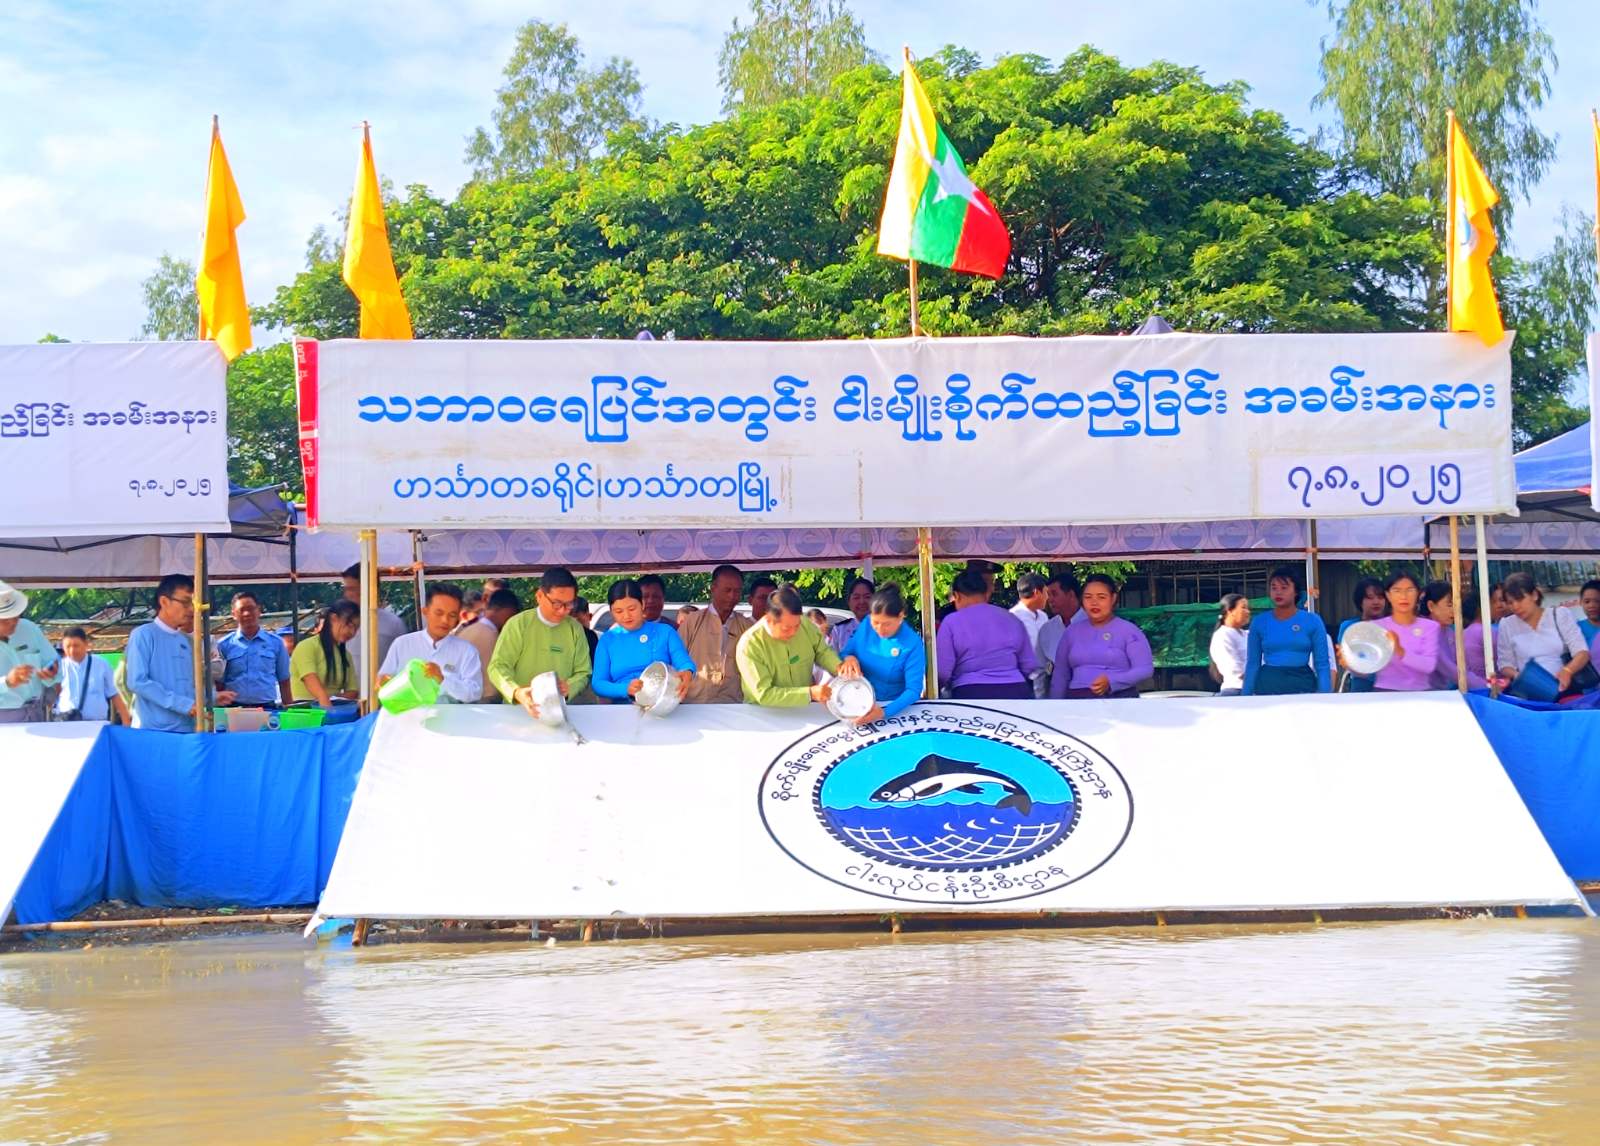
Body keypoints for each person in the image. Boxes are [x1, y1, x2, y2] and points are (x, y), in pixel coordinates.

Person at [126, 574, 233, 730]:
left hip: (186, 728)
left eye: (193, 603)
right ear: (164, 602)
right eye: (185, 602)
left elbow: (188, 687)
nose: (191, 609)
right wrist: (182, 705)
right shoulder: (143, 635)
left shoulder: (186, 641)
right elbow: (137, 682)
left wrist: (213, 698)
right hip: (155, 730)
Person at [489, 567, 593, 721]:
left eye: (569, 604)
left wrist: (569, 686)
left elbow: (584, 672)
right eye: (557, 604)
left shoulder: (575, 629)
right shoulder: (518, 624)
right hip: (519, 712)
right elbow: (497, 667)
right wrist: (517, 692)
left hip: (559, 713)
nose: (562, 611)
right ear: (539, 596)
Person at [937, 568, 1037, 700]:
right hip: (1015, 691)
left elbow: (942, 672)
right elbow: (1029, 665)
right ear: (986, 592)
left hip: (971, 692)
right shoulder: (1011, 618)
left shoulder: (951, 622)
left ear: (957, 596)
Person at [1048, 574, 1153, 699]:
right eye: (1088, 597)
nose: (1094, 603)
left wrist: (1112, 681)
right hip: (1077, 699)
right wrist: (1054, 705)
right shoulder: (1071, 632)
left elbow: (1144, 669)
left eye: (1101, 597)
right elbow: (1061, 675)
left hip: (1119, 698)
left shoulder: (1129, 630)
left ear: (1113, 598)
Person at [735, 584, 842, 707]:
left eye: (796, 626)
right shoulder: (750, 645)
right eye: (786, 628)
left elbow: (822, 651)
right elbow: (764, 694)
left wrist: (839, 668)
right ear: (769, 619)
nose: (793, 633)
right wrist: (809, 694)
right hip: (765, 715)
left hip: (804, 710)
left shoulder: (805, 625)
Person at [591, 579, 696, 704]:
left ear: (642, 604)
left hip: (663, 704)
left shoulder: (665, 632)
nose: (626, 616)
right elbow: (598, 684)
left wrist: (688, 672)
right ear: (611, 611)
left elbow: (684, 662)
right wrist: (625, 689)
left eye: (632, 609)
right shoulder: (607, 640)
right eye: (619, 611)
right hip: (622, 711)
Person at [378, 584, 484, 704]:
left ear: (458, 618)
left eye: (452, 615)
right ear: (425, 611)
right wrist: (384, 681)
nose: (445, 620)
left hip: (450, 719)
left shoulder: (467, 651)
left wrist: (443, 680)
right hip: (407, 718)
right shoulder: (402, 644)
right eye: (439, 613)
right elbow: (385, 679)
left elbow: (475, 693)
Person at [837, 583, 925, 723]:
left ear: (901, 616)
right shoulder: (866, 624)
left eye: (887, 624)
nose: (880, 629)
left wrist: (884, 712)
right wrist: (849, 658)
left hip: (893, 708)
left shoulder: (912, 643)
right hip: (857, 699)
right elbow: (845, 652)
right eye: (875, 622)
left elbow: (913, 690)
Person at [1495, 571, 1592, 698]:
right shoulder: (1506, 624)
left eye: (1520, 599)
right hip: (1528, 694)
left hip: (1565, 691)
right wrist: (1519, 676)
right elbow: (1505, 664)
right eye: (1510, 602)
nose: (1515, 606)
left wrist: (1567, 671)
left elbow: (1582, 652)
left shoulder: (1560, 615)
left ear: (1534, 595)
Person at [1242, 566, 1330, 696]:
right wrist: (1245, 697)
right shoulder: (1259, 622)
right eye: (1274, 588)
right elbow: (1252, 663)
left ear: (1295, 591)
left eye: (1284, 587)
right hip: (1268, 686)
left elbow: (1322, 664)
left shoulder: (1313, 621)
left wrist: (1325, 695)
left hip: (1302, 685)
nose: (1278, 592)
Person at [679, 564, 754, 704]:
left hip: (732, 703)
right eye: (727, 590)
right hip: (694, 703)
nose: (732, 596)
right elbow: (677, 661)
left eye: (737, 591)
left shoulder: (746, 626)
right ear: (713, 588)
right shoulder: (693, 621)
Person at [1356, 572, 1441, 692]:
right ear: (1388, 595)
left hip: (1420, 694)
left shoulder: (1430, 627)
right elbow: (1367, 669)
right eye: (1397, 591)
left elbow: (1429, 665)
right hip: (1385, 693)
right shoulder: (1377, 627)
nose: (1404, 596)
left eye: (1410, 590)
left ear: (1419, 594)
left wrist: (1400, 651)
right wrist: (1350, 663)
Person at [216, 590, 292, 706]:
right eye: (242, 610)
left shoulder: (276, 643)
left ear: (259, 610)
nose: (247, 614)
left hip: (267, 708)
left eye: (251, 609)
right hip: (234, 708)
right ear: (234, 614)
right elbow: (219, 683)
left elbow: (284, 680)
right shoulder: (224, 645)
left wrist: (289, 711)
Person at [0, 580, 60, 724]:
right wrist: (6, 682)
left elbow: (54, 663)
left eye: (16, 617)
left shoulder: (29, 629)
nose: (13, 623)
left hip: (37, 711)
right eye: (6, 620)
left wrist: (51, 671)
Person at [340, 562, 409, 688]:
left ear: (369, 588)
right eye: (346, 589)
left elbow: (404, 663)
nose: (347, 594)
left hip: (384, 696)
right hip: (347, 698)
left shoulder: (393, 624)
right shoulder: (339, 622)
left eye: (352, 589)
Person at [289, 601, 361, 705]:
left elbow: (352, 690)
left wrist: (334, 701)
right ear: (333, 618)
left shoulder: (346, 655)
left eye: (356, 628)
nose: (352, 632)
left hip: (334, 710)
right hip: (306, 713)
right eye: (349, 625)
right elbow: (309, 678)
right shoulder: (306, 646)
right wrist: (324, 699)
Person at [455, 587, 520, 702]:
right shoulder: (492, 635)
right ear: (507, 611)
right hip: (485, 699)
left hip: (464, 696)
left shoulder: (466, 630)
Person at [54, 626, 128, 723]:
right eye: (68, 646)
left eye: (76, 646)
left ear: (86, 644)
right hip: (66, 723)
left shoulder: (101, 664)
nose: (72, 650)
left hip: (96, 723)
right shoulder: (59, 666)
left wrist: (126, 721)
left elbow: (115, 694)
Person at [1428, 583, 1489, 691]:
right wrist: (1485, 686)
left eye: (1457, 605)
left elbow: (1464, 666)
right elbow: (1452, 671)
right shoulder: (1427, 634)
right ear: (1431, 606)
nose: (1454, 610)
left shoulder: (1450, 632)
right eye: (1450, 605)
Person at [1334, 577, 1387, 693]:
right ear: (1360, 601)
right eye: (1370, 597)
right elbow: (1344, 659)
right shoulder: (1348, 627)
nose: (1376, 602)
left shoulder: (1392, 626)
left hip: (1390, 687)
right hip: (1359, 687)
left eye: (1380, 597)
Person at [1034, 572, 1084, 683]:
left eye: (1054, 594)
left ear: (1071, 595)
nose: (1050, 600)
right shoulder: (1047, 629)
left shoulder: (1093, 623)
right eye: (1048, 595)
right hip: (1056, 690)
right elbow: (1040, 669)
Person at [1209, 594, 1251, 696]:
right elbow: (1233, 667)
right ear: (1230, 611)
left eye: (1248, 608)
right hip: (1235, 690)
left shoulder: (1247, 634)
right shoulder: (1222, 635)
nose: (1248, 611)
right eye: (1243, 607)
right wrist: (1255, 673)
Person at [828, 577, 874, 653]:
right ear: (849, 602)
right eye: (856, 597)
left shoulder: (887, 627)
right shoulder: (840, 630)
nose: (862, 602)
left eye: (867, 597)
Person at [1577, 579, 1600, 647]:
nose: (1592, 605)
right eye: (1587, 601)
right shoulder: (1576, 629)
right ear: (1580, 602)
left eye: (1597, 601)